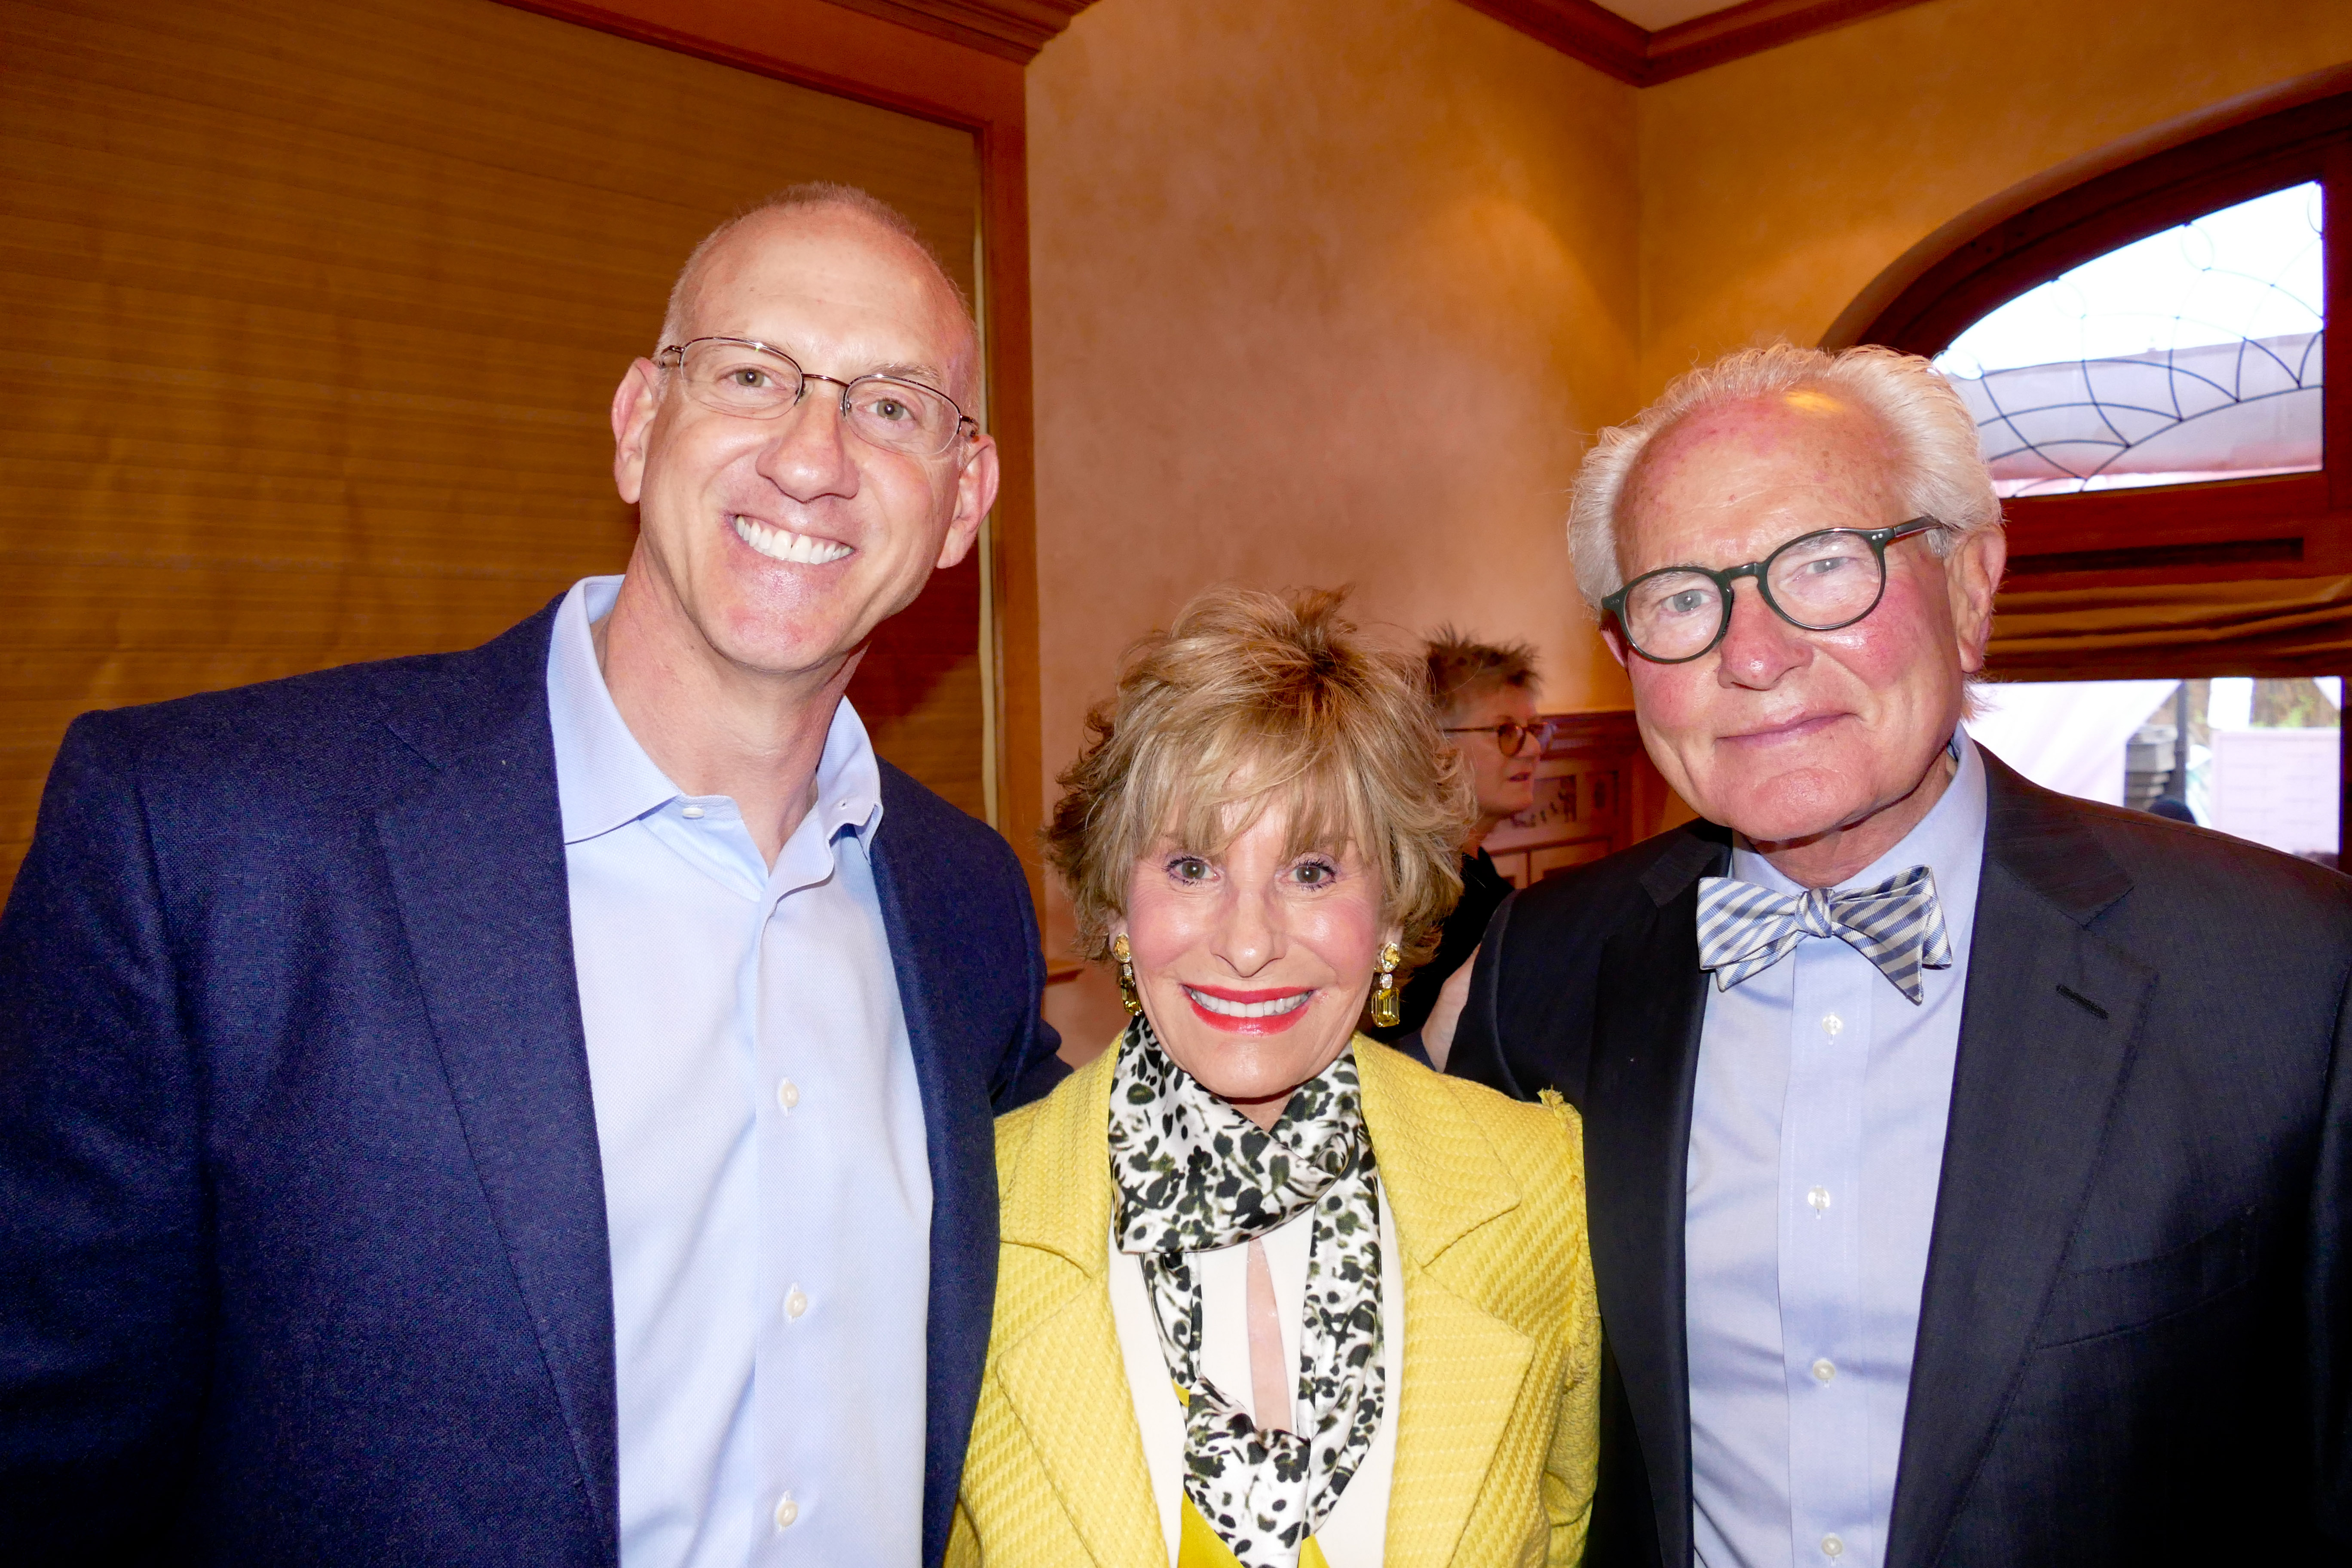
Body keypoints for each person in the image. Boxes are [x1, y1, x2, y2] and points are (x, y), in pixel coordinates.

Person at [0, 184, 1063, 1566]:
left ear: (962, 502)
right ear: (639, 426)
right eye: (753, 375)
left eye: (894, 407)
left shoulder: (968, 901)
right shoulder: (210, 845)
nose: (815, 457)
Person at [1442, 344, 2352, 1566]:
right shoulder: (1539, 971)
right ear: (1626, 663)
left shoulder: (2284, 976)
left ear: (1971, 588)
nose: (1753, 655)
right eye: (1678, 597)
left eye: (1826, 565)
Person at [950, 587, 1600, 1567]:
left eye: (1309, 871)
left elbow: (1568, 1524)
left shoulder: (1538, 1186)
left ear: (1388, 914)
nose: (1247, 943)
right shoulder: (971, 1216)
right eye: (1190, 868)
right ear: (1118, 905)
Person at [1366, 630, 1548, 1052]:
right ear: (1433, 747)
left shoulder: (1481, 878)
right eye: (1506, 730)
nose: (1534, 748)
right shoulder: (1402, 890)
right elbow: (1382, 1034)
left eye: (1534, 729)